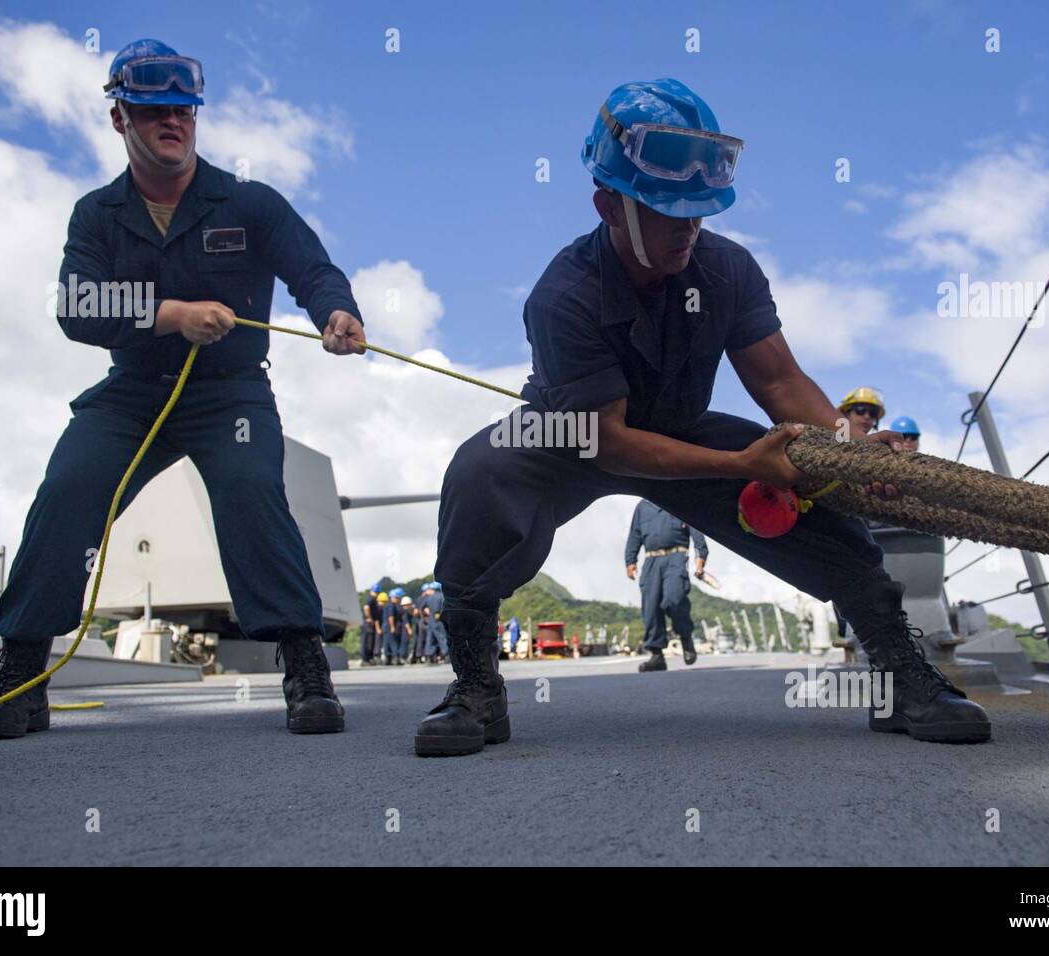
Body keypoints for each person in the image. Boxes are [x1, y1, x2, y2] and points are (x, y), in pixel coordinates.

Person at [413, 78, 990, 757]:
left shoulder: (727, 269)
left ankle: (898, 676)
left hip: (681, 426)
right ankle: (476, 688)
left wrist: (850, 451)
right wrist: (741, 464)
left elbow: (778, 378)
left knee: (816, 500)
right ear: (608, 205)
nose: (689, 227)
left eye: (699, 211)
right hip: (573, 433)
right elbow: (610, 444)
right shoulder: (562, 294)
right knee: (484, 467)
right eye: (665, 210)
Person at [0, 39, 365, 740]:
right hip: (132, 391)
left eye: (183, 109)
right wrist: (167, 316)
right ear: (120, 118)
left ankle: (306, 669)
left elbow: (314, 270)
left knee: (251, 491)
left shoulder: (248, 202)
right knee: (68, 490)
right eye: (154, 111)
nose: (172, 122)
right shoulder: (97, 215)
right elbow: (76, 305)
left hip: (231, 394)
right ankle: (22, 677)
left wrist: (337, 313)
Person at [624, 499, 707, 671]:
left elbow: (696, 528)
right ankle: (657, 656)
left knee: (674, 598)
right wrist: (630, 560)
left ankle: (685, 637)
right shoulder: (642, 507)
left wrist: (701, 555)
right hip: (651, 560)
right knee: (651, 608)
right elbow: (635, 534)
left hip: (677, 557)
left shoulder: (679, 500)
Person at [424, 582, 449, 663]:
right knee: (442, 638)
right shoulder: (441, 596)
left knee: (430, 639)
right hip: (438, 621)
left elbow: (426, 609)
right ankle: (446, 654)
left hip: (431, 621)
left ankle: (429, 656)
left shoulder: (429, 598)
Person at [361, 582, 382, 666]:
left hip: (370, 624)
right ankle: (365, 659)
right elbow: (366, 608)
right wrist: (369, 618)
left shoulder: (373, 599)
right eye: (376, 592)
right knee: (367, 641)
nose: (376, 594)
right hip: (368, 623)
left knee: (371, 641)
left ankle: (369, 658)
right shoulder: (371, 599)